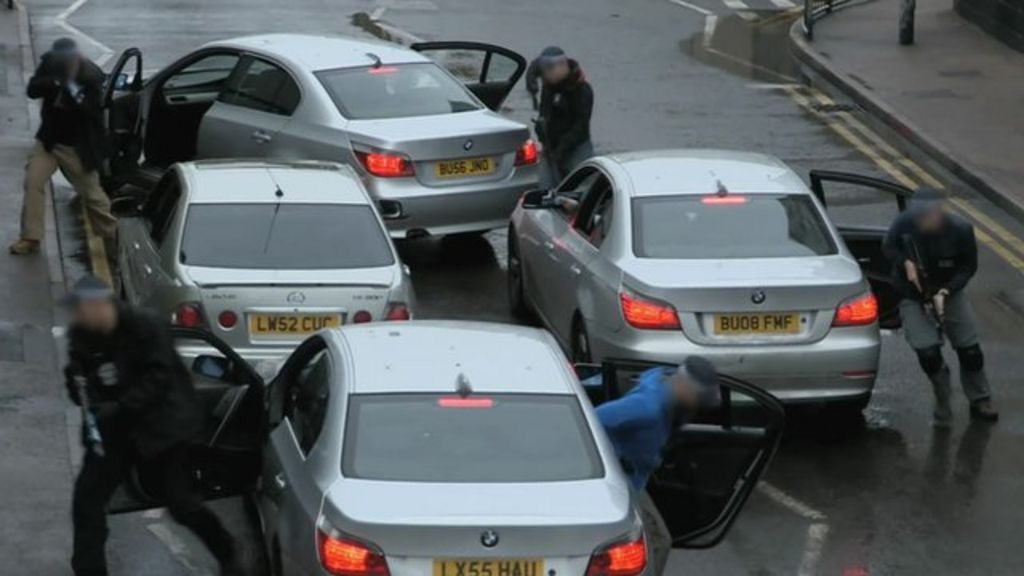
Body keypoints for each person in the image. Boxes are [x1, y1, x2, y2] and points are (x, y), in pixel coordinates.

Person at [63, 275, 243, 576]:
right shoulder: (83, 336)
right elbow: (78, 384)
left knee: (181, 504)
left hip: (160, 428)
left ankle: (227, 552)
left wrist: (120, 406)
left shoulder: (146, 327)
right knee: (87, 501)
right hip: (112, 433)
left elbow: (159, 380)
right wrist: (77, 382)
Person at [883, 188, 998, 427]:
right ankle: (942, 395)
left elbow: (968, 267)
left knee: (970, 352)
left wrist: (946, 292)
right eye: (920, 216)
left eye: (929, 215)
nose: (924, 221)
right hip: (913, 296)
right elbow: (888, 246)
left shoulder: (961, 230)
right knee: (928, 353)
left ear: (940, 213)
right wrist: (905, 262)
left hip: (949, 291)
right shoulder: (904, 223)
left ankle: (980, 398)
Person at [595, 357, 721, 575]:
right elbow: (593, 420)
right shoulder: (646, 408)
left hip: (635, 478)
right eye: (699, 399)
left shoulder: (666, 388)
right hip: (621, 482)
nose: (699, 407)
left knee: (656, 539)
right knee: (656, 541)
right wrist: (614, 458)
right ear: (682, 386)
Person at [9, 38, 116, 256]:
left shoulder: (91, 77)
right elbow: (32, 89)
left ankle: (111, 234)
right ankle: (31, 236)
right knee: (33, 183)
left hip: (76, 146)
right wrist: (56, 83)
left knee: (92, 194)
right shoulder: (50, 65)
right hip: (49, 141)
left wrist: (75, 94)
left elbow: (92, 113)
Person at [527, 46, 594, 184]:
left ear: (563, 66)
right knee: (545, 188)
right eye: (544, 70)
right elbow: (544, 112)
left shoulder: (582, 90)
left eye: (549, 70)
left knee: (581, 188)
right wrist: (541, 128)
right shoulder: (549, 88)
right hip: (550, 150)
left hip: (577, 149)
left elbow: (580, 126)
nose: (546, 74)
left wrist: (561, 149)